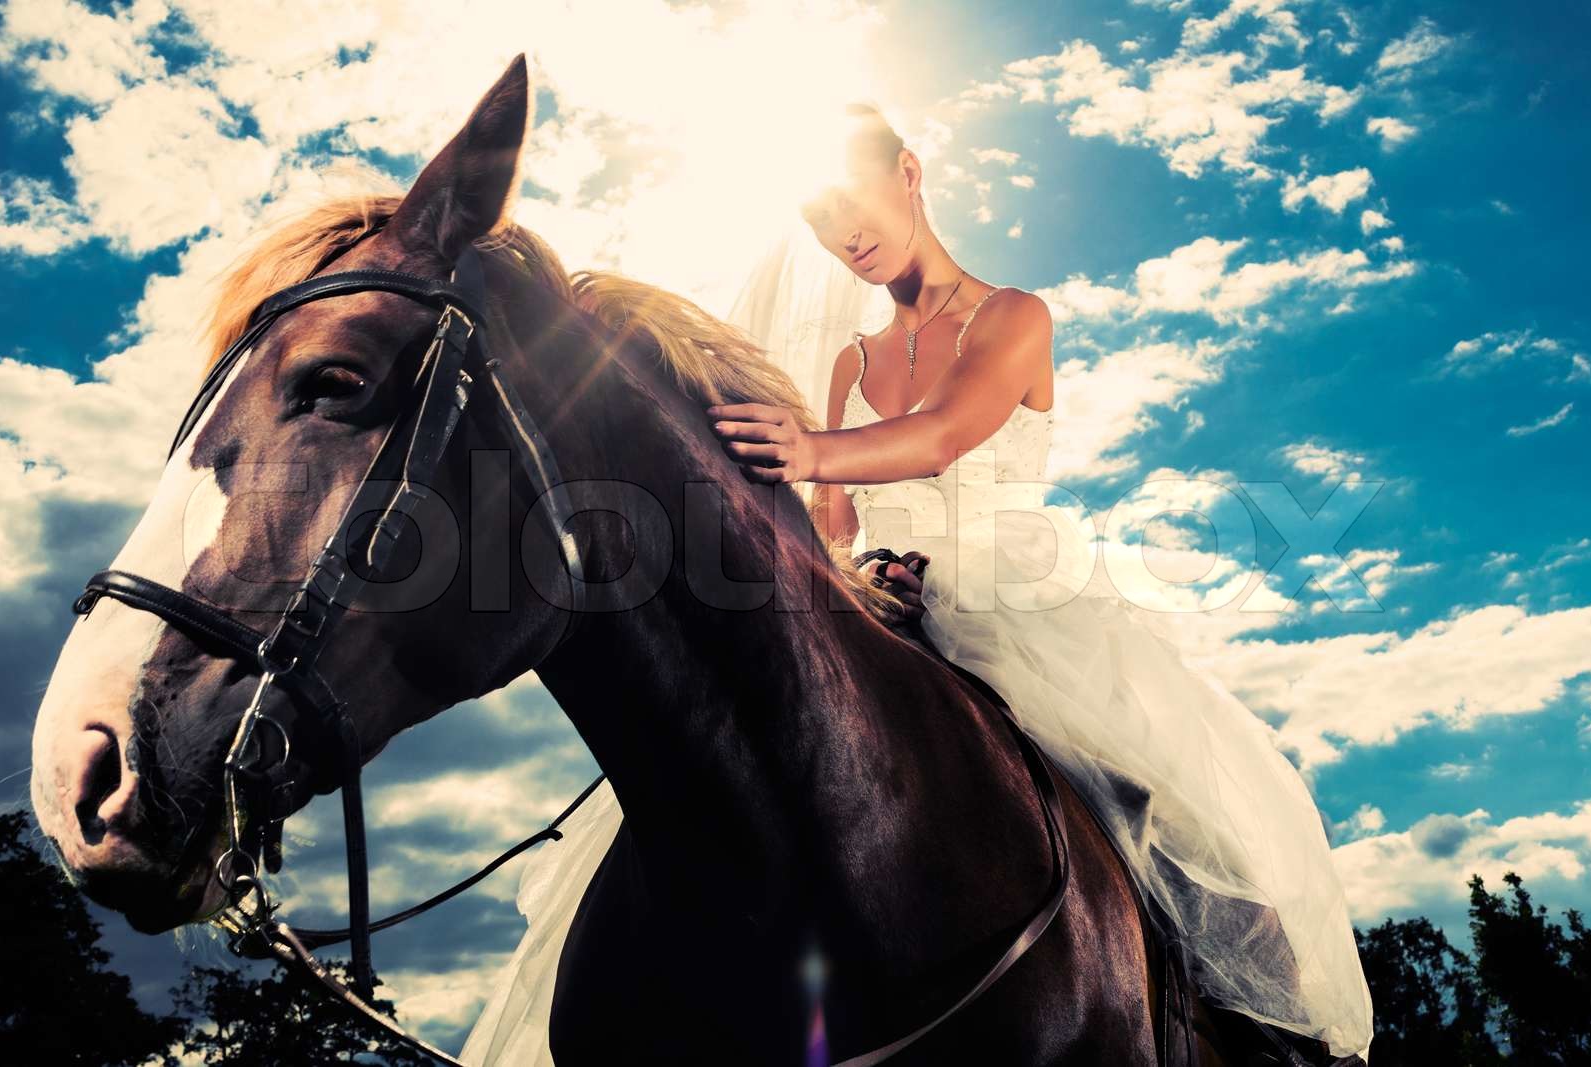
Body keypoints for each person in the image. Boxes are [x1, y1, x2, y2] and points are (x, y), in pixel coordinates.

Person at [462, 104, 1375, 1065]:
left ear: (909, 171)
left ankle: (1268, 1031)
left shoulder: (1014, 316)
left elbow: (946, 431)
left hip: (1015, 611)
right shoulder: (849, 362)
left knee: (1176, 820)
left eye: (851, 201)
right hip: (884, 608)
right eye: (817, 221)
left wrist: (815, 446)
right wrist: (848, 571)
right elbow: (831, 521)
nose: (841, 235)